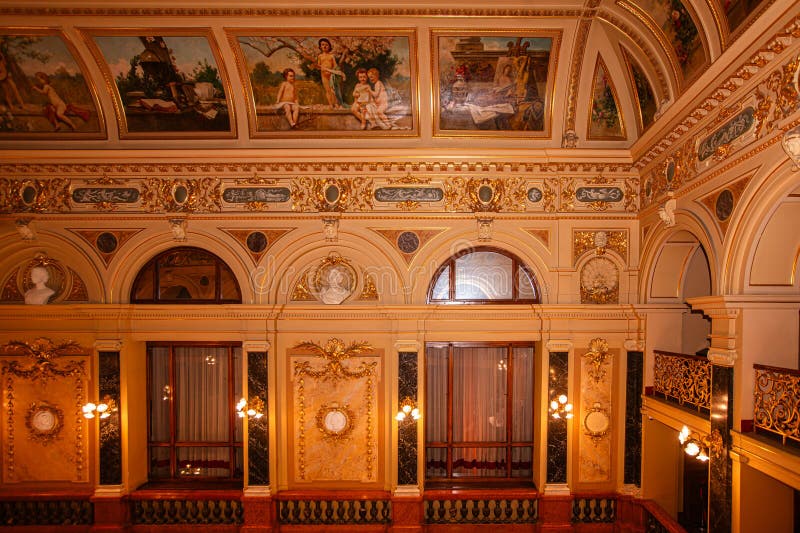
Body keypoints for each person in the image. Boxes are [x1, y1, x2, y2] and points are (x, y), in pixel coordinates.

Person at [306, 38, 346, 109]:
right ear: (320, 46)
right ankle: (331, 104)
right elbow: (319, 66)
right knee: (327, 90)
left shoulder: (331, 56)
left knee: (333, 90)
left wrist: (334, 71)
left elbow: (335, 65)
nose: (324, 46)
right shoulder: (320, 56)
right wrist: (315, 66)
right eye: (322, 45)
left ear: (329, 46)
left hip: (331, 75)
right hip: (324, 75)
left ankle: (336, 103)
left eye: (326, 45)